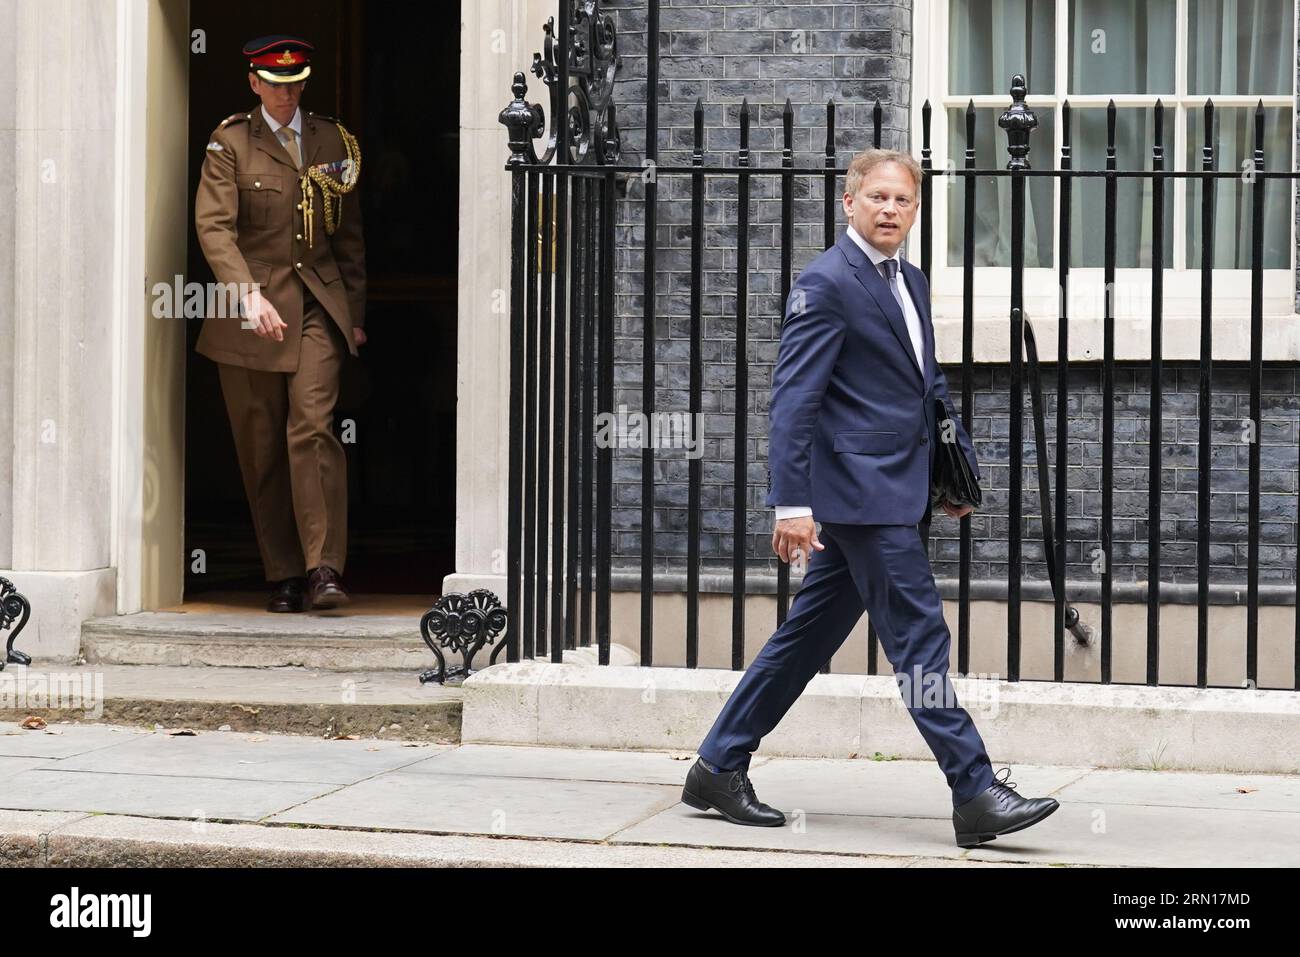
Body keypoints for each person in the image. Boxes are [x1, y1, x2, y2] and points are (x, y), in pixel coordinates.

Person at [680, 148, 1059, 848]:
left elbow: (928, 387)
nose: (890, 210)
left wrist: (956, 472)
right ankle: (975, 789)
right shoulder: (826, 283)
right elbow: (794, 400)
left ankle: (716, 763)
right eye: (877, 197)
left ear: (915, 211)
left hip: (900, 490)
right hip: (861, 501)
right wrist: (790, 503)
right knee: (921, 643)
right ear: (848, 203)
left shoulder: (908, 282)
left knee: (803, 641)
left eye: (903, 201)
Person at [194, 35, 366, 613]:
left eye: (294, 84)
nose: (286, 94)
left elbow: (348, 236)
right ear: (254, 84)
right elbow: (215, 227)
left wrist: (356, 317)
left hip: (318, 302)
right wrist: (245, 294)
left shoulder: (332, 140)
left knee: (311, 426)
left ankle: (323, 568)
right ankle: (283, 573)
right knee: (261, 444)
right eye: (274, 83)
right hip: (251, 312)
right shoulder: (229, 143)